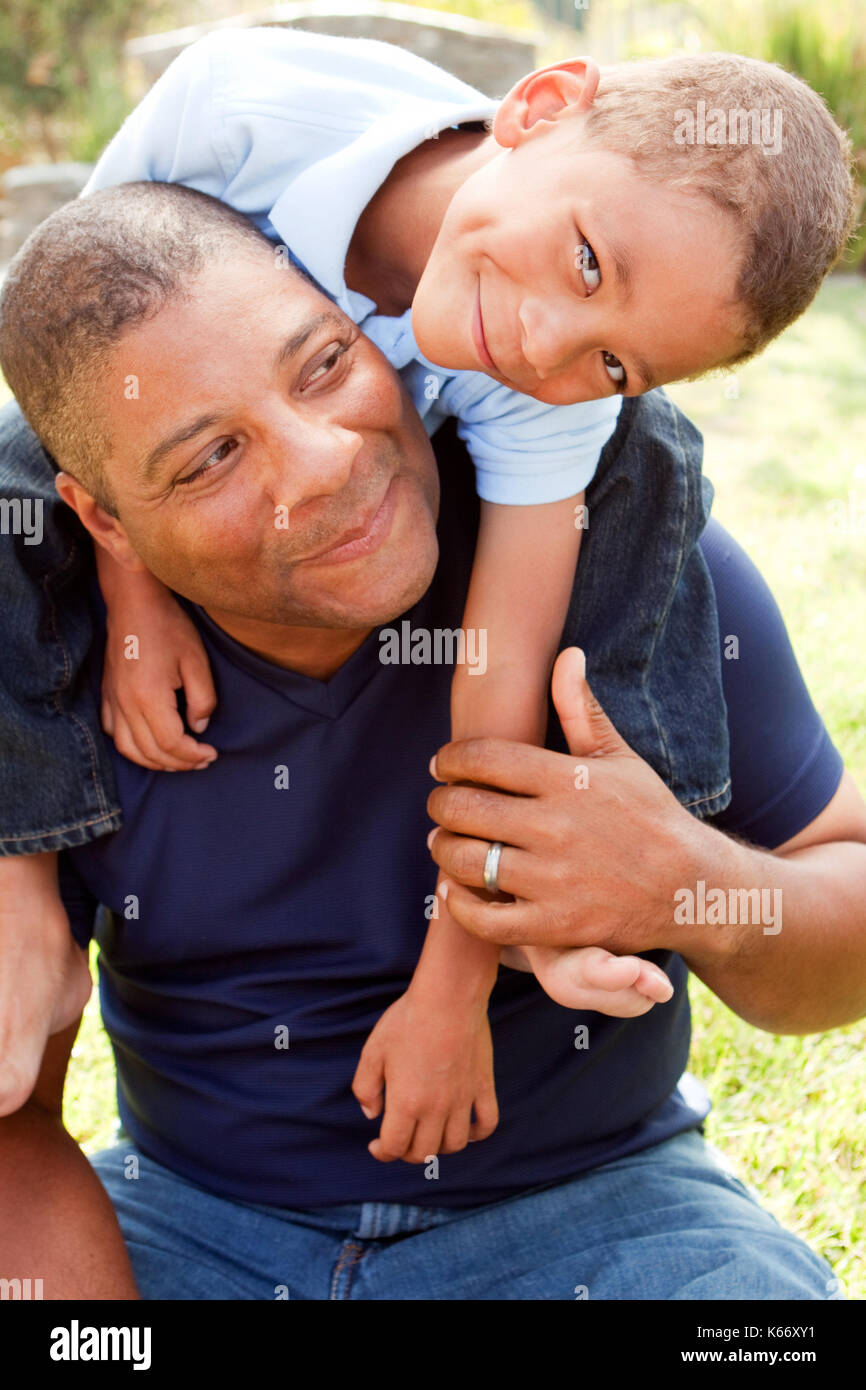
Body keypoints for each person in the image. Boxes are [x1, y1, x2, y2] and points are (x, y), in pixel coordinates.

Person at [0, 32, 856, 1158]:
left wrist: (474, 961)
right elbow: (90, 324)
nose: (546, 345)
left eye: (614, 359)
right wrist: (134, 586)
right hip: (119, 456)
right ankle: (20, 877)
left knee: (631, 475)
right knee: (15, 466)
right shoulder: (243, 109)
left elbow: (496, 684)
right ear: (540, 107)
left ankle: (608, 855)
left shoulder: (556, 409)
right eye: (588, 262)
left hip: (582, 1159)